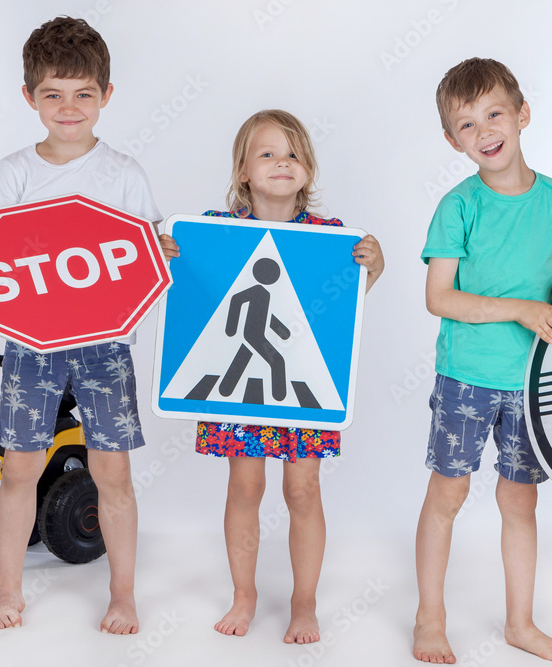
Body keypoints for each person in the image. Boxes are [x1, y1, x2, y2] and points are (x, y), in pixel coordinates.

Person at [159, 109, 384, 644]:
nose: (282, 163)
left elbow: (337, 316)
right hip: (239, 387)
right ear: (243, 171)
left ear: (307, 169)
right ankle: (245, 594)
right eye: (267, 153)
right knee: (245, 485)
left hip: (302, 382)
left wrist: (373, 267)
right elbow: (195, 298)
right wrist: (168, 258)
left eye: (293, 154)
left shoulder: (332, 237)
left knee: (303, 489)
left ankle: (304, 602)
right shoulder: (217, 232)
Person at [0, 16, 160, 634]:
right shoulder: (16, 171)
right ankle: (8, 590)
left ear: (106, 96)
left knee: (113, 470)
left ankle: (124, 595)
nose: (68, 107)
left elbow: (147, 258)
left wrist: (167, 251)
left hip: (106, 345)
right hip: (31, 343)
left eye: (84, 93)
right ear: (30, 97)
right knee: (19, 465)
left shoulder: (125, 173)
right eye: (53, 93)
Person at [413, 58, 552, 664]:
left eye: (493, 114)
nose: (484, 131)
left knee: (520, 502)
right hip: (467, 376)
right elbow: (439, 297)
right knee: (448, 494)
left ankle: (520, 624)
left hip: (532, 379)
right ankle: (429, 618)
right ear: (451, 140)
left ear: (522, 114)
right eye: (466, 125)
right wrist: (518, 309)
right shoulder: (458, 207)